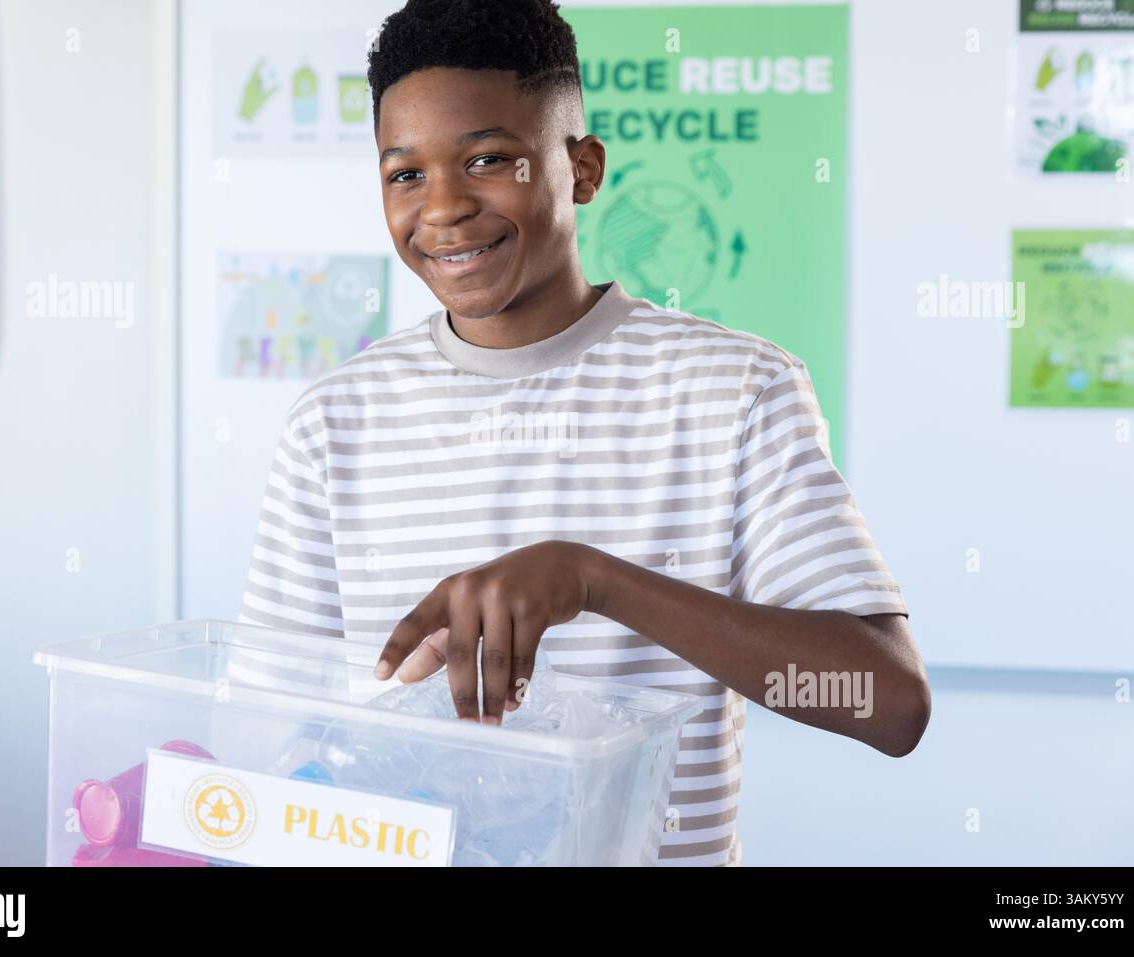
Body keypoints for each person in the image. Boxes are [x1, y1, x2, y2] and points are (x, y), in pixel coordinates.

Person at [239, 0, 929, 866]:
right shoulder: (334, 424)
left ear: (584, 167)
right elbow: (268, 742)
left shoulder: (735, 392)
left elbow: (890, 705)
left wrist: (593, 579)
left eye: (489, 159)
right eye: (405, 174)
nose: (444, 207)